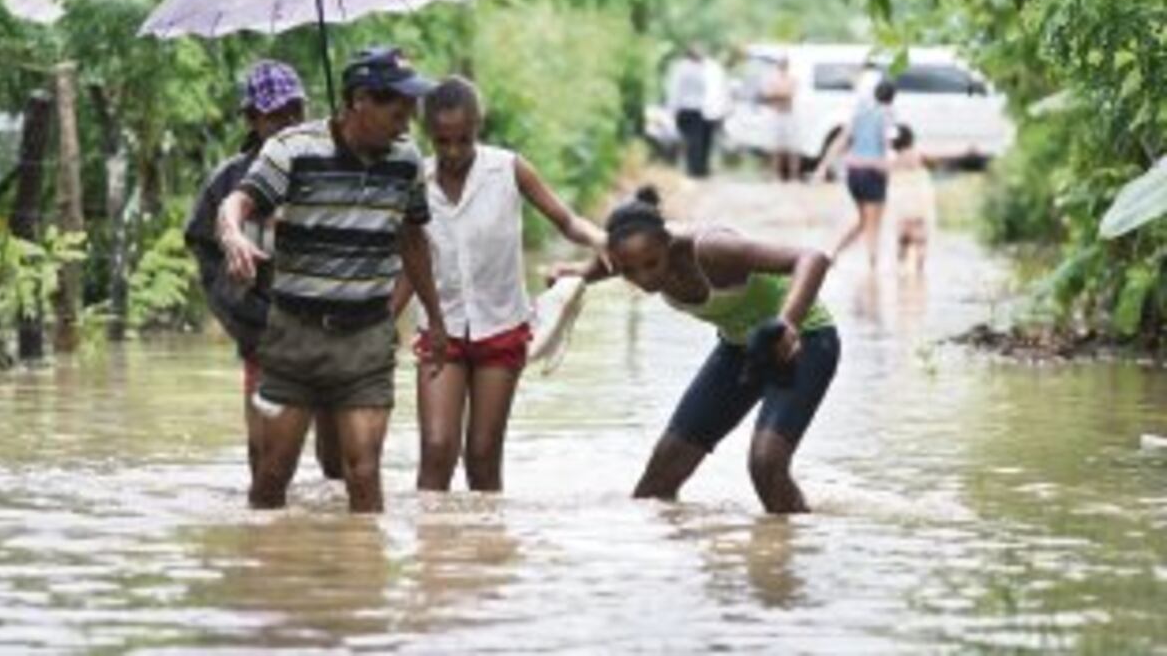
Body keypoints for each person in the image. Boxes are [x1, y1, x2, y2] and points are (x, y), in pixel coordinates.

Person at [217, 46, 448, 513]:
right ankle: (267, 574)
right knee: (272, 473)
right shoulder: (293, 149)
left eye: (409, 114)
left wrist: (436, 319)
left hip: (365, 339)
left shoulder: (405, 161)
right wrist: (232, 237)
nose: (405, 125)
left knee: (363, 471)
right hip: (293, 338)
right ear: (360, 100)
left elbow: (413, 240)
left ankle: (363, 578)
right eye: (396, 112)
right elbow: (237, 202)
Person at [555, 186, 839, 514]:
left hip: (806, 339)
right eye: (629, 271)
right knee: (656, 483)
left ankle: (790, 551)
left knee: (765, 464)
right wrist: (577, 276)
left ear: (667, 244)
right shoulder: (631, 255)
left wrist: (788, 322)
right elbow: (615, 261)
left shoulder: (712, 250)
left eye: (651, 264)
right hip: (740, 348)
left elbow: (813, 258)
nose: (644, 279)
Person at [392, 76, 607, 492]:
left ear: (479, 125)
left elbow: (565, 221)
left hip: (500, 327)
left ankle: (487, 551)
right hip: (441, 329)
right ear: (427, 135)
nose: (453, 152)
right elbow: (410, 261)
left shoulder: (508, 169)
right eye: (442, 141)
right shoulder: (415, 181)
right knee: (437, 449)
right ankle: (432, 552)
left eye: (463, 139)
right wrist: (385, 321)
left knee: (484, 455)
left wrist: (599, 239)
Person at [184, 60, 341, 479]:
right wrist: (244, 309)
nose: (289, 123)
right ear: (253, 119)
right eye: (277, 115)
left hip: (333, 328)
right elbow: (204, 247)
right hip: (264, 331)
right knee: (265, 456)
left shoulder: (334, 167)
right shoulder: (229, 181)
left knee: (339, 461)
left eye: (296, 111)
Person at [815, 78, 897, 269]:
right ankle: (872, 270)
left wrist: (823, 166)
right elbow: (887, 145)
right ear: (892, 98)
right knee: (873, 224)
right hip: (873, 171)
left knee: (863, 221)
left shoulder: (859, 113)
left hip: (853, 173)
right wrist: (889, 168)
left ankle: (833, 253)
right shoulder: (887, 114)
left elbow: (841, 140)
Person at [888, 124, 934, 274]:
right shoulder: (917, 155)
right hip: (919, 203)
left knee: (902, 240)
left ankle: (900, 271)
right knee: (920, 240)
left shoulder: (894, 160)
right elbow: (940, 157)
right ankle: (920, 271)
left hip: (901, 205)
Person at [666, 44, 717, 178]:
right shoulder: (696, 69)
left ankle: (694, 169)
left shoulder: (682, 68)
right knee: (696, 139)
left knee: (692, 139)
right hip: (694, 108)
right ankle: (697, 168)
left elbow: (674, 89)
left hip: (689, 108)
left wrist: (672, 109)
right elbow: (676, 89)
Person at [760, 56, 799, 181]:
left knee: (793, 148)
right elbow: (767, 94)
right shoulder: (773, 79)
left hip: (789, 114)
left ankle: (794, 176)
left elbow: (790, 94)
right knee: (776, 148)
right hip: (776, 114)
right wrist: (779, 94)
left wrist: (777, 93)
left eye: (784, 63)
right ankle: (776, 175)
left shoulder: (792, 79)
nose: (783, 66)